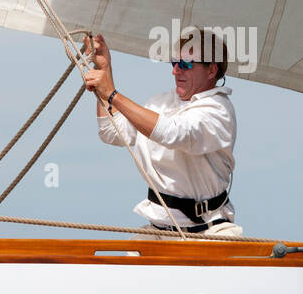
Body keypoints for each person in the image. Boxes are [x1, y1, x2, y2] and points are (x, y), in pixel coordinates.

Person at [83, 28, 241, 236]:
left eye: (186, 64)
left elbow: (173, 133)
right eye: (174, 63)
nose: (175, 71)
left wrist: (112, 94)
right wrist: (103, 68)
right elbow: (111, 132)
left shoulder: (219, 110)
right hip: (159, 232)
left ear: (211, 70)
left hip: (209, 232)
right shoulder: (159, 103)